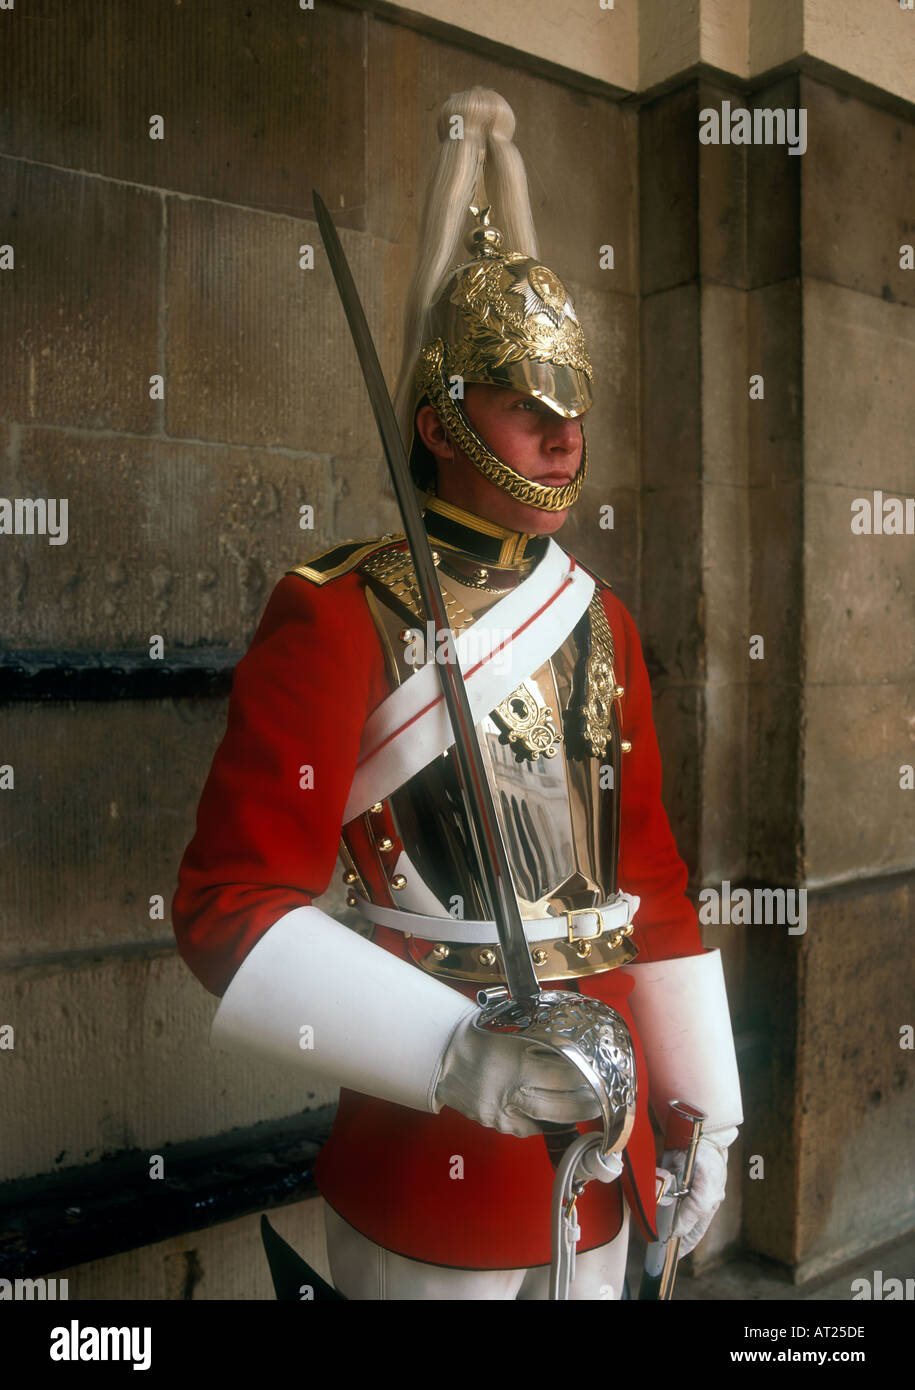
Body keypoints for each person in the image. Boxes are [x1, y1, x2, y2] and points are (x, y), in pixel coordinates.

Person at [171, 87, 742, 1300]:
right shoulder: (335, 613)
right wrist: (450, 1051)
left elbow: (647, 885)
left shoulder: (604, 621)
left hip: (607, 1135)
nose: (563, 436)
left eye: (571, 405)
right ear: (439, 420)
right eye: (525, 405)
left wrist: (704, 1109)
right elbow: (228, 902)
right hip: (429, 1141)